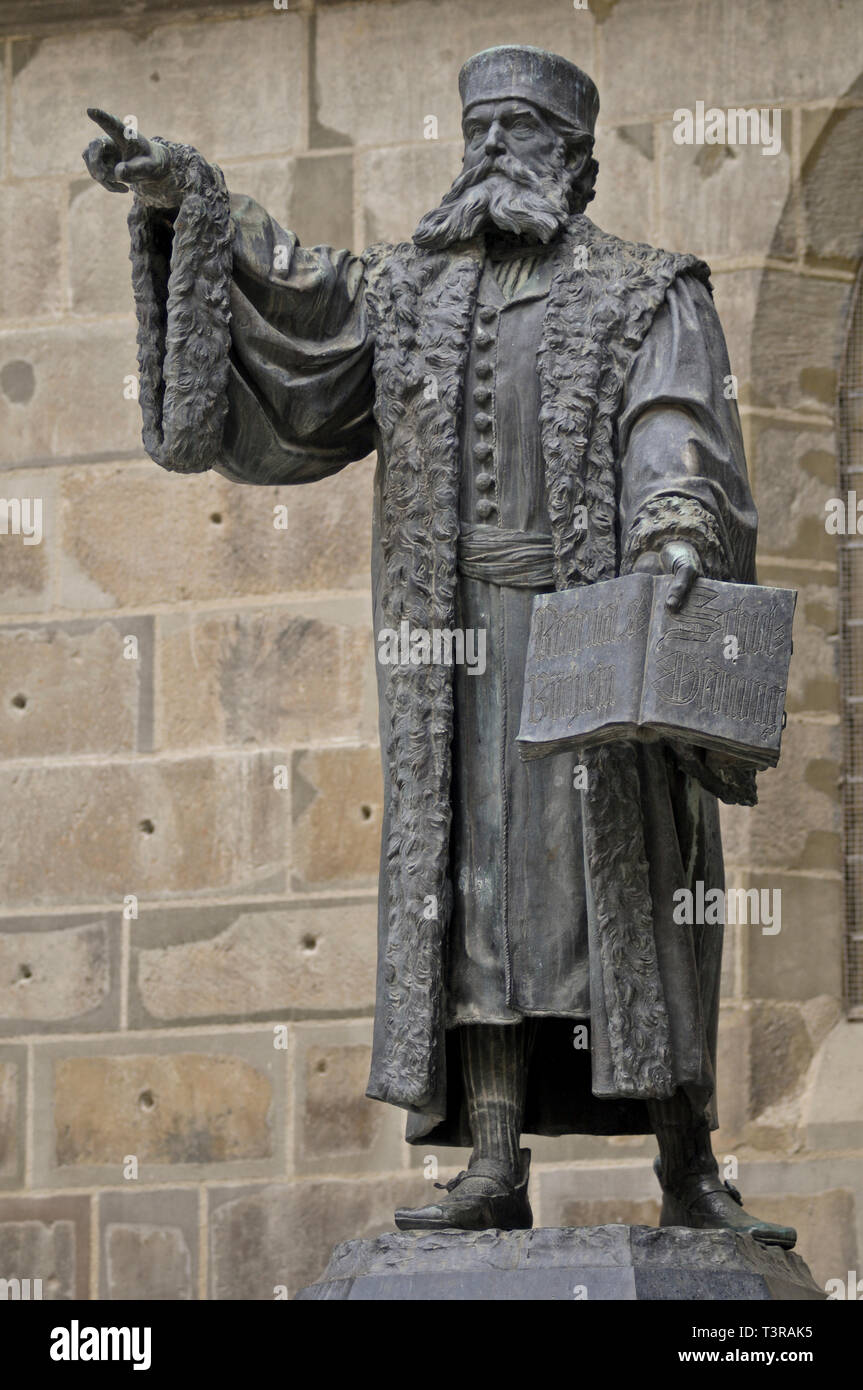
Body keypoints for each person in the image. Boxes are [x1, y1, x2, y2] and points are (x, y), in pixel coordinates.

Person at [83, 44, 795, 1246]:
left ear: (571, 162)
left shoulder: (644, 289)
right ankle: (492, 1157)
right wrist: (185, 195)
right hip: (455, 658)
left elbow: (676, 426)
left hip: (591, 635)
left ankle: (687, 1159)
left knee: (626, 901)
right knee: (462, 897)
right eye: (478, 134)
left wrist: (675, 533)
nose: (490, 157)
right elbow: (294, 296)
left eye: (519, 136)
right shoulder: (408, 292)